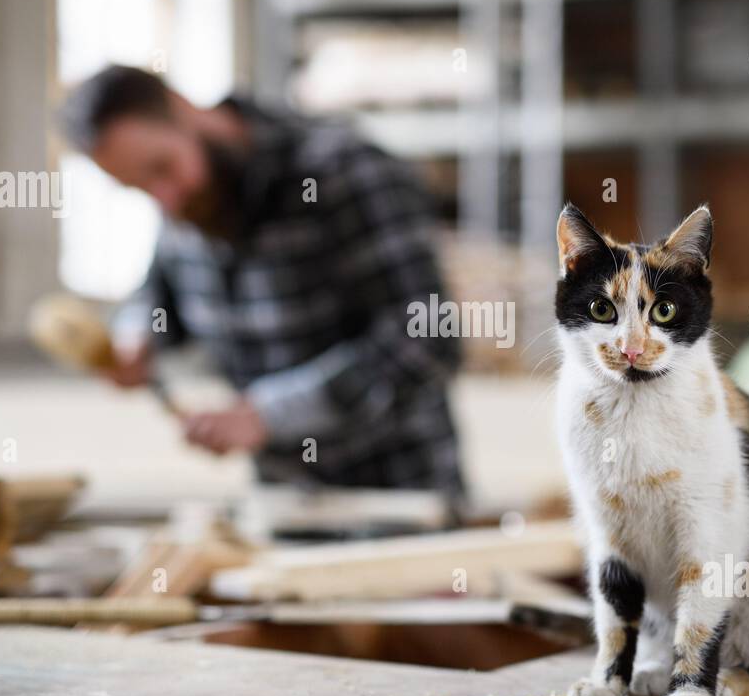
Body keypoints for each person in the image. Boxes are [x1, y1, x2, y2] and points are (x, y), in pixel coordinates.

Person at [58, 66, 464, 502]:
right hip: (285, 503)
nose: (164, 199)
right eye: (139, 188)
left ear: (185, 109)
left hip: (400, 502)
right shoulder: (184, 200)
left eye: (162, 168)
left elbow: (429, 340)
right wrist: (136, 338)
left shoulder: (342, 171)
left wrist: (267, 415)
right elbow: (161, 300)